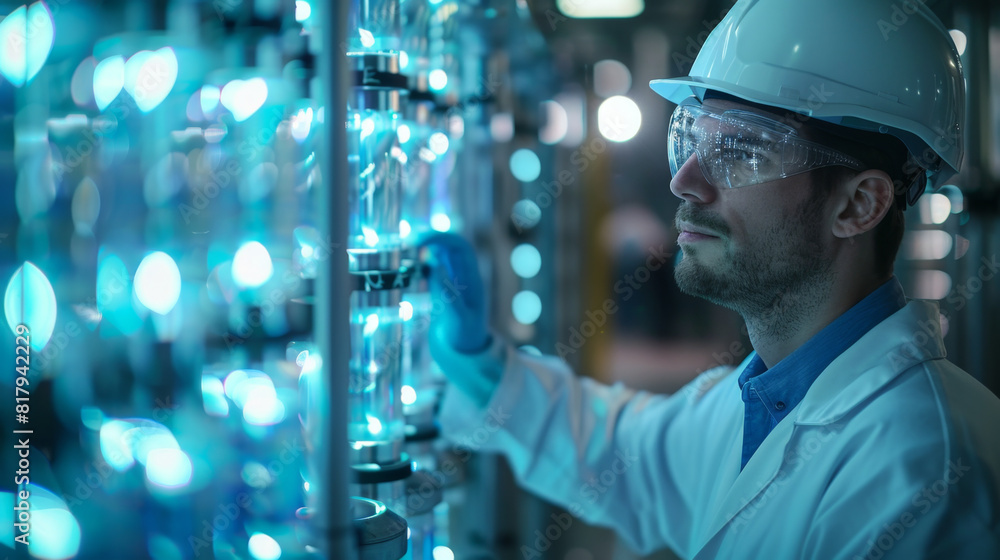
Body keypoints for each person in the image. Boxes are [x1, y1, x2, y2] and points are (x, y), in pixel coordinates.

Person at [419, 0, 1000, 558]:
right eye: (690, 140)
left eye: (742, 151)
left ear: (858, 206)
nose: (685, 182)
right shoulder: (758, 399)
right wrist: (482, 367)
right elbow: (623, 456)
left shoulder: (923, 472)